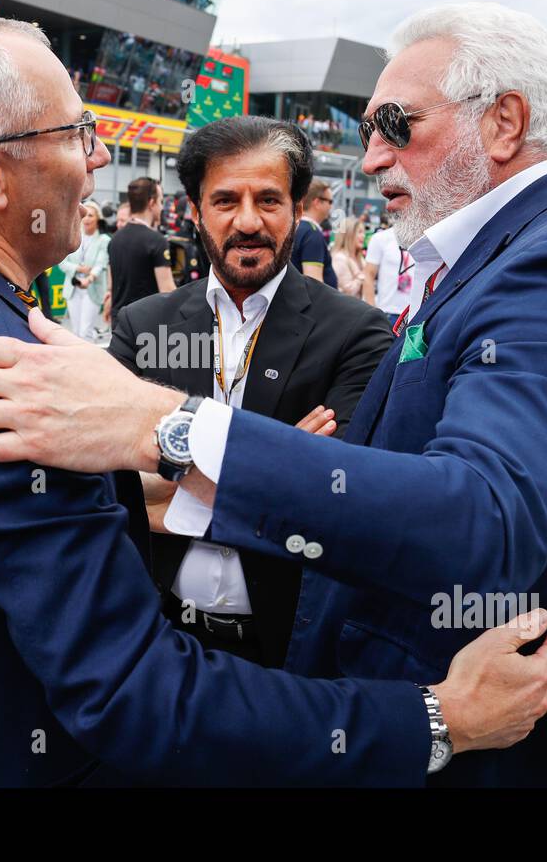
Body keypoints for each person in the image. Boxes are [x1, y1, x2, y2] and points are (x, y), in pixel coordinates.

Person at [0, 2, 547, 787]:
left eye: (394, 124)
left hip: (514, 741)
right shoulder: (491, 257)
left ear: (504, 122)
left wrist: (165, 425)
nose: (374, 157)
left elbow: (486, 518)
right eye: (365, 132)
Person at [109, 116, 394, 668]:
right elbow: (109, 486)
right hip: (156, 627)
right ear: (196, 213)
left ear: (294, 208)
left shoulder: (357, 332)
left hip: (291, 633)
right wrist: (281, 461)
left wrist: (166, 467)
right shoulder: (144, 326)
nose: (247, 221)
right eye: (224, 201)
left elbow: (336, 498)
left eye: (268, 199)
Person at [107, 176, 174, 316]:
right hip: (146, 323)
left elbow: (111, 284)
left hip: (119, 321)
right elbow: (167, 291)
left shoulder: (114, 239)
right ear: (151, 203)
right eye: (160, 202)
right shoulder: (156, 241)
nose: (162, 207)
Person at [58, 200, 109, 341]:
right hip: (73, 287)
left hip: (92, 288)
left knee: (85, 331)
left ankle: (87, 360)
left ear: (98, 218)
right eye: (85, 215)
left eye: (91, 215)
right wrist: (78, 268)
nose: (86, 219)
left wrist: (89, 278)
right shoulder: (72, 237)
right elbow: (62, 263)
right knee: (75, 331)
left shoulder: (103, 240)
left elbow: (100, 264)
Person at [362, 225, 412, 319]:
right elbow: (368, 275)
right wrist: (373, 314)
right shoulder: (381, 238)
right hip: (388, 313)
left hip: (415, 314)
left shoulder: (425, 238)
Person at [295, 179, 337, 287]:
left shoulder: (295, 227)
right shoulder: (312, 233)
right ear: (317, 202)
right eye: (330, 202)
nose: (331, 207)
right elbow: (314, 284)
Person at [330, 217, 367, 297]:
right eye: (360, 232)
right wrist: (361, 277)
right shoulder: (339, 258)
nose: (363, 236)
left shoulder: (359, 257)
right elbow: (348, 292)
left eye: (364, 232)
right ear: (349, 234)